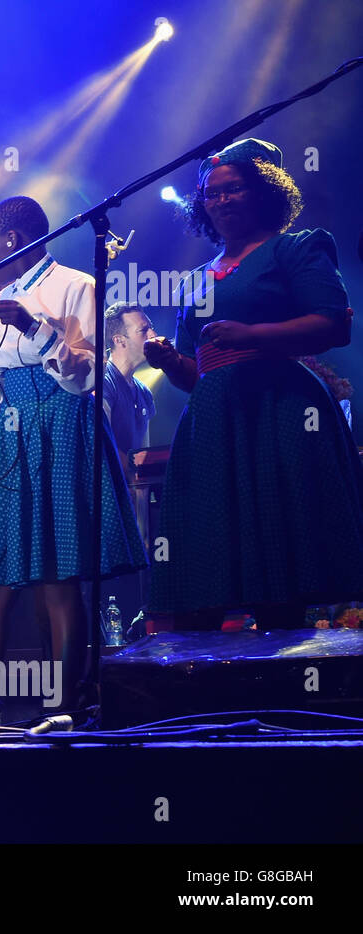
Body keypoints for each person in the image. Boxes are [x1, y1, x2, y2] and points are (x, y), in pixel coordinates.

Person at [0, 196, 146, 724]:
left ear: (10, 240)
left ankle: (64, 707)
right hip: (9, 434)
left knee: (58, 576)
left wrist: (37, 329)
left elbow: (92, 378)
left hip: (62, 424)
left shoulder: (77, 285)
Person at [143, 138, 363, 629]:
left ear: (266, 194)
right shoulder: (194, 280)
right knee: (210, 556)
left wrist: (254, 334)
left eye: (234, 190)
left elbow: (333, 323)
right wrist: (168, 361)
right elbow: (197, 373)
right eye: (212, 194)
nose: (220, 201)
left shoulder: (297, 248)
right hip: (213, 421)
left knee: (281, 554)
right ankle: (215, 690)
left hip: (279, 409)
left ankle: (285, 682)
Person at [103, 302, 158, 472]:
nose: (153, 335)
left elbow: (144, 453)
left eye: (151, 328)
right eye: (143, 331)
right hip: (113, 492)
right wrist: (136, 474)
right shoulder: (103, 382)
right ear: (119, 340)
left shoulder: (144, 392)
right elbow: (102, 445)